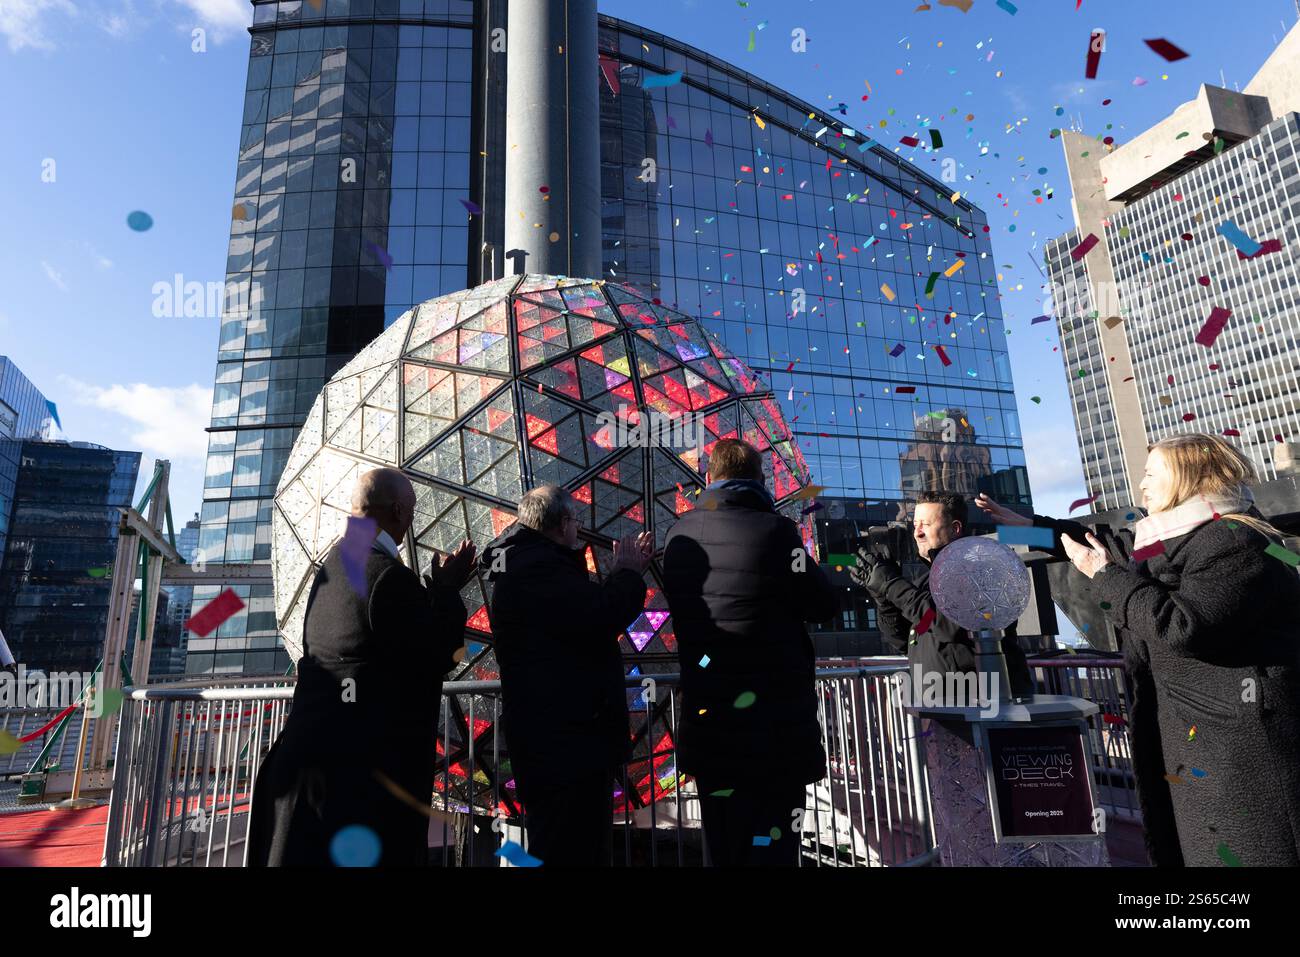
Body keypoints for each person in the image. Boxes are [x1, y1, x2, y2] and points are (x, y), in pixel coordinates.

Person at [976, 432, 1300, 866]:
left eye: (1151, 474)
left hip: (1241, 755)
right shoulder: (1168, 538)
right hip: (1199, 746)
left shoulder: (1234, 540)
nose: (1141, 485)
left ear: (1187, 478)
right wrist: (1026, 526)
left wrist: (1106, 576)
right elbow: (1095, 543)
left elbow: (1184, 627)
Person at [248, 467, 475, 867]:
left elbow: (378, 644)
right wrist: (445, 591)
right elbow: (441, 655)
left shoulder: (333, 565)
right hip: (360, 788)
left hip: (310, 773)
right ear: (399, 510)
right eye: (412, 511)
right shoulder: (387, 577)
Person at [662, 439, 837, 866]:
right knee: (773, 847)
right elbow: (823, 604)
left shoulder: (678, 534)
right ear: (759, 479)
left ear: (708, 479)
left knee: (722, 847)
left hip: (710, 726)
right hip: (773, 730)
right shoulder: (777, 532)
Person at [481, 484, 652, 867]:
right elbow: (599, 617)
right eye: (575, 520)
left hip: (552, 738)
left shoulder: (524, 563)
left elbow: (576, 620)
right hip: (567, 743)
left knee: (561, 844)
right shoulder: (539, 568)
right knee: (572, 849)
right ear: (561, 524)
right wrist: (626, 572)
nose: (578, 529)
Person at [851, 491, 1034, 704]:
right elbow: (909, 638)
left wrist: (891, 585)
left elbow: (947, 624)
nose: (917, 533)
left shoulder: (979, 569)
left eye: (925, 525)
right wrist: (883, 597)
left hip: (986, 710)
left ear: (955, 529)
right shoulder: (926, 582)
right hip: (942, 709)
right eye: (915, 525)